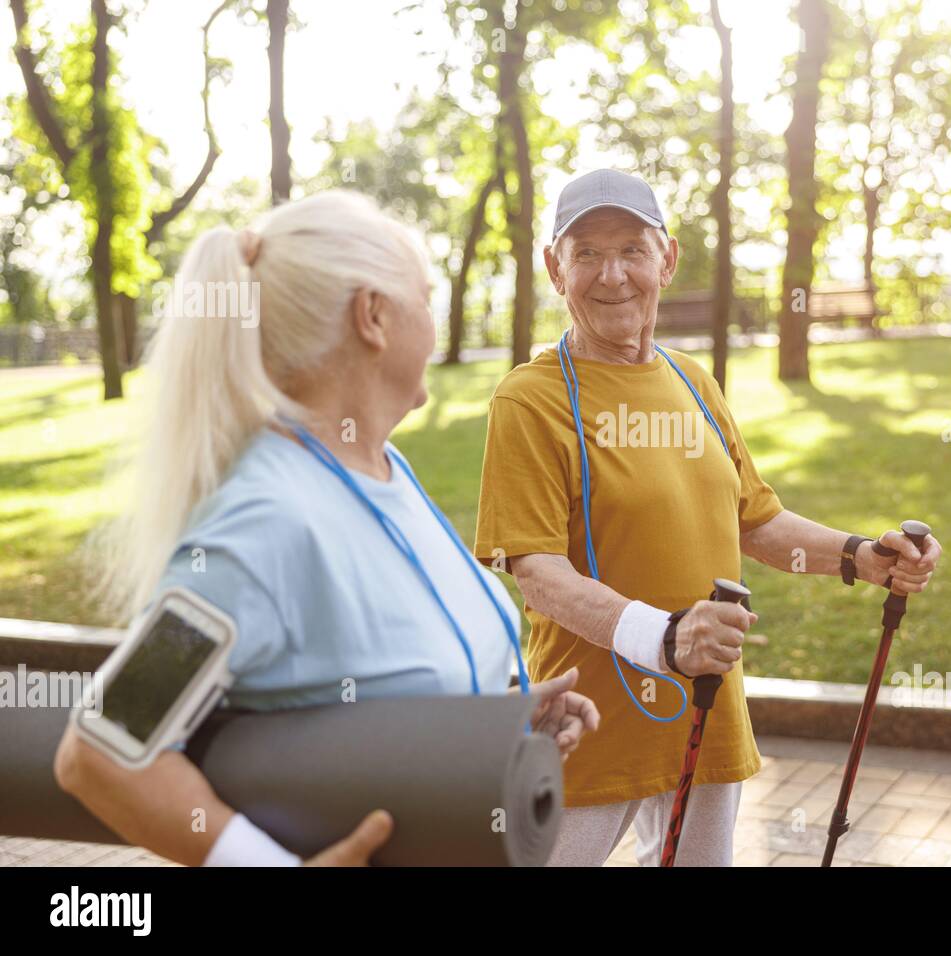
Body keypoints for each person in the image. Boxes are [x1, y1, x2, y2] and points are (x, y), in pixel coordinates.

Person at [53, 190, 598, 867]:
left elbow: (386, 679)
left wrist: (501, 715)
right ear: (373, 316)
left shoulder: (382, 467)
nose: (437, 324)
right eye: (425, 299)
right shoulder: (262, 522)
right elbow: (101, 750)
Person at [473, 169, 942, 867]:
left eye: (632, 249)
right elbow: (538, 575)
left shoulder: (695, 382)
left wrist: (859, 557)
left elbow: (756, 522)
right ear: (554, 268)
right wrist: (665, 639)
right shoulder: (529, 400)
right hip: (584, 723)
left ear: (667, 258)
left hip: (705, 709)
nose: (612, 274)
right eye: (587, 253)